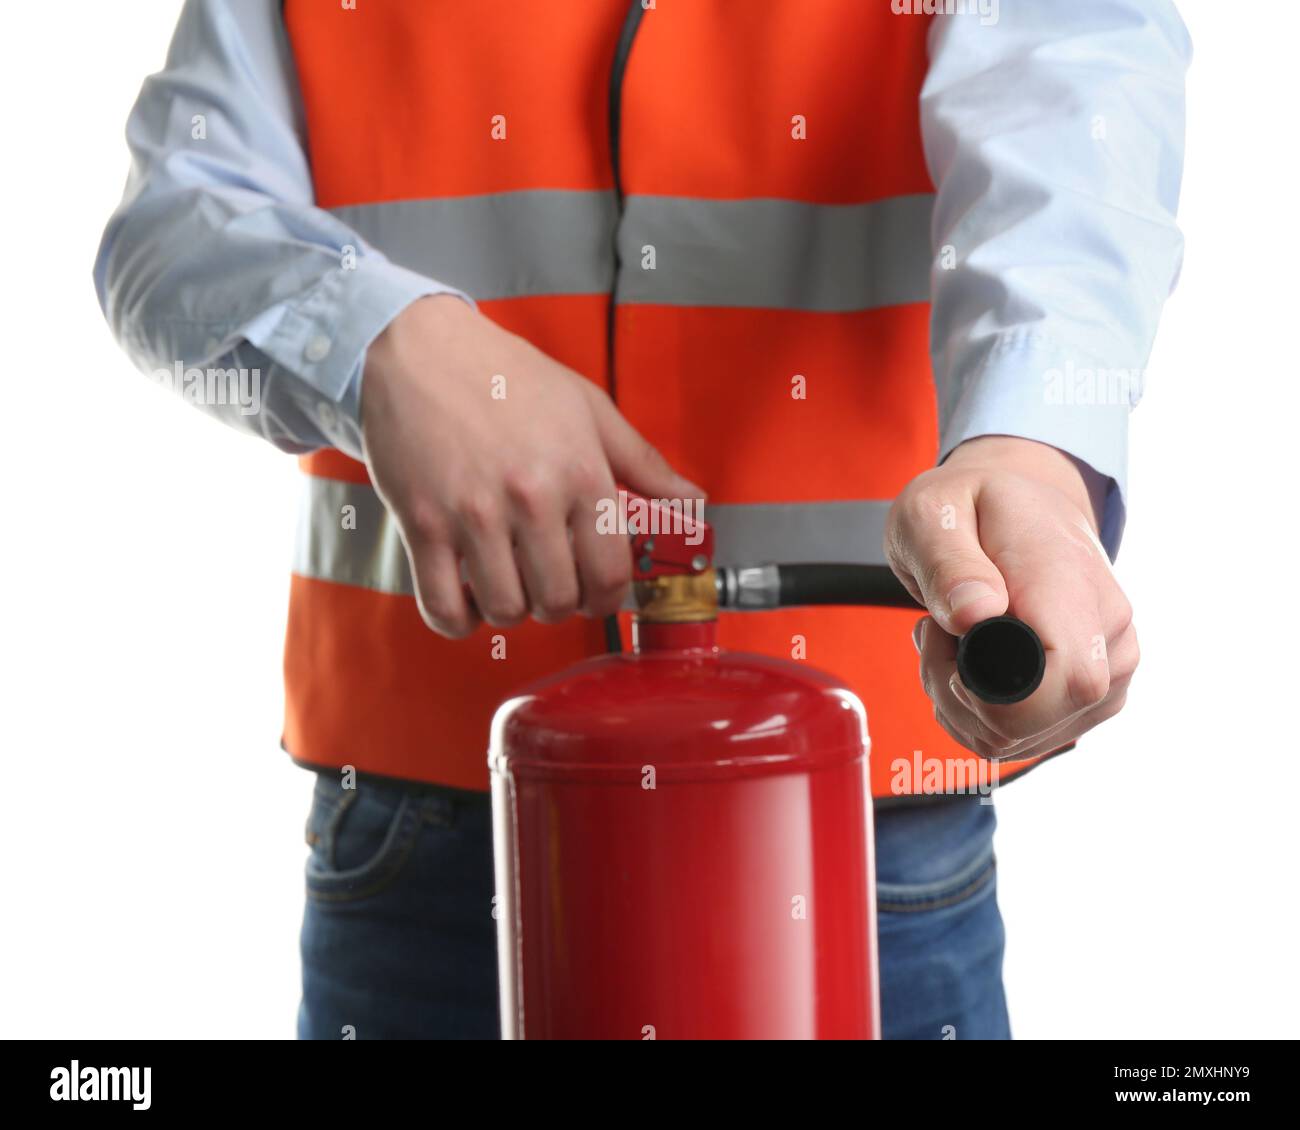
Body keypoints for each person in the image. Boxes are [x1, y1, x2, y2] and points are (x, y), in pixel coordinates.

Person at [94, 0, 1189, 1040]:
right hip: (421, 838)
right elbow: (173, 219)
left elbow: (1072, 86)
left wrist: (1034, 447)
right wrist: (382, 344)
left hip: (857, 837)